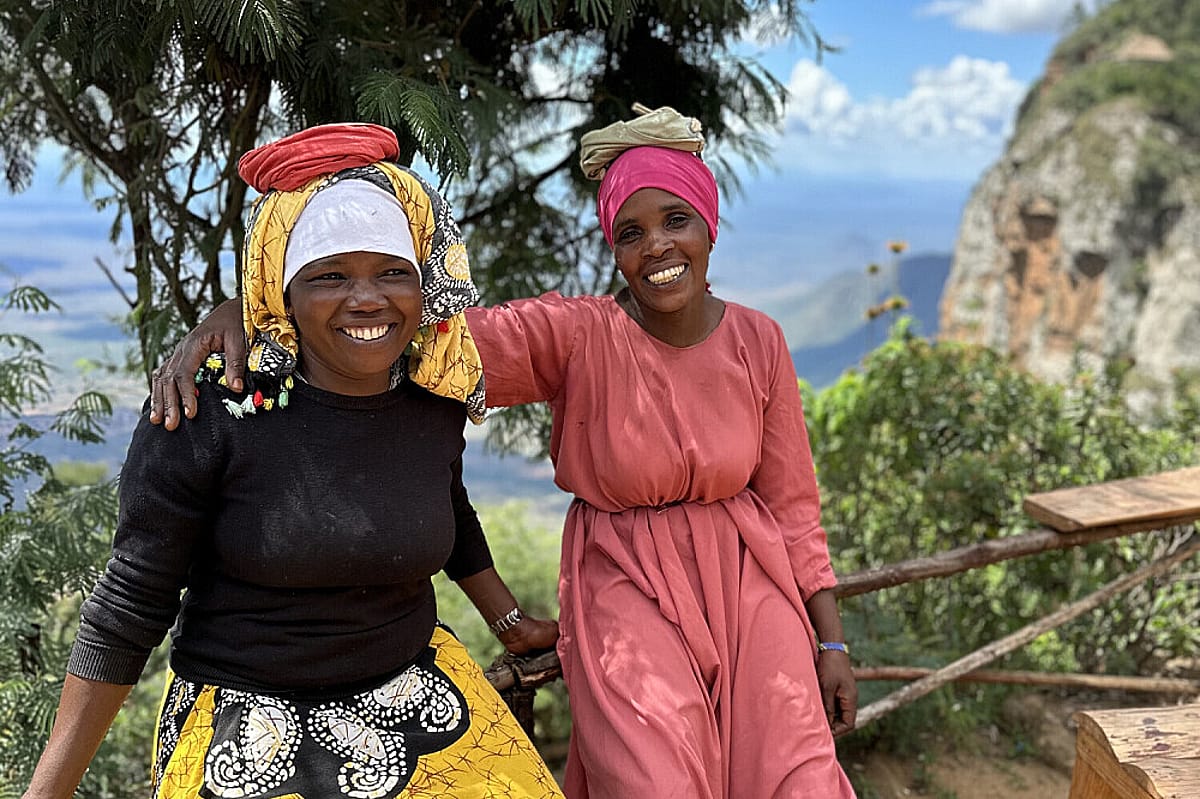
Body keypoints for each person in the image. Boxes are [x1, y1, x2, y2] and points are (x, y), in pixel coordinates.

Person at [151, 109, 858, 798]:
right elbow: (409, 329)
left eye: (677, 221)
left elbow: (794, 506)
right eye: (631, 232)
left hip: (751, 581)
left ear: (709, 227)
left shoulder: (759, 340)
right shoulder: (580, 335)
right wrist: (241, 310)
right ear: (614, 246)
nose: (658, 248)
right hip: (628, 583)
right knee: (656, 777)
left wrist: (830, 645)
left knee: (794, 774)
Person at [24, 124, 564, 799]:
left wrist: (510, 621)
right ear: (284, 291)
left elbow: (441, 497)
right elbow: (130, 603)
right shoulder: (214, 404)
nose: (367, 299)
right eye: (329, 276)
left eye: (393, 272)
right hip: (250, 721)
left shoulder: (431, 391)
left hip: (414, 695)